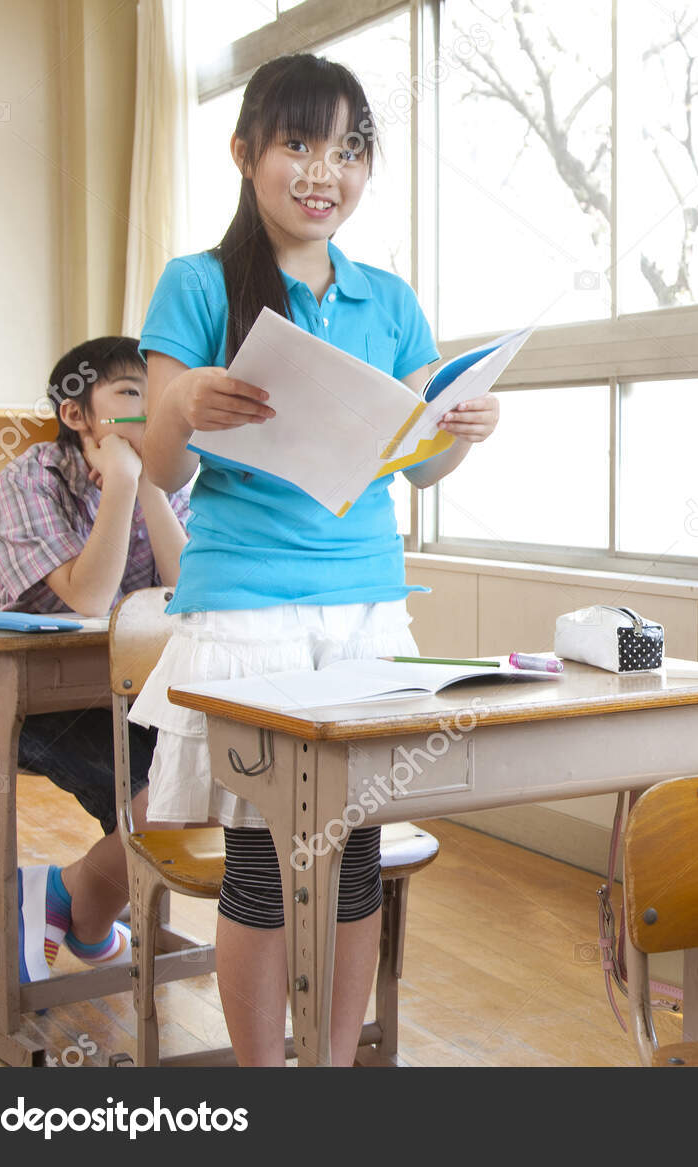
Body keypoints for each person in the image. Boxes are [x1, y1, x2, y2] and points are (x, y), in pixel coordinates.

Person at [132, 53, 499, 1065]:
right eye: (298, 143)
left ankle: (330, 1076)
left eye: (348, 150)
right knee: (263, 872)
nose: (323, 172)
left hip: (365, 605)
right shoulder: (198, 283)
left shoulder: (390, 300)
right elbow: (161, 467)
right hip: (247, 608)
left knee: (355, 864)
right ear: (245, 152)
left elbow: (420, 469)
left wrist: (461, 430)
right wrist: (180, 402)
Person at [0, 336, 190, 983]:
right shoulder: (28, 481)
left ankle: (69, 899)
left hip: (134, 693)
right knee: (168, 797)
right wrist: (121, 484)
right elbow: (90, 599)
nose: (149, 408)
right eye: (129, 393)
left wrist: (149, 483)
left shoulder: (171, 477)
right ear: (75, 413)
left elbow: (191, 589)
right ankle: (89, 914)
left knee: (203, 782)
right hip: (35, 701)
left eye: (156, 395)